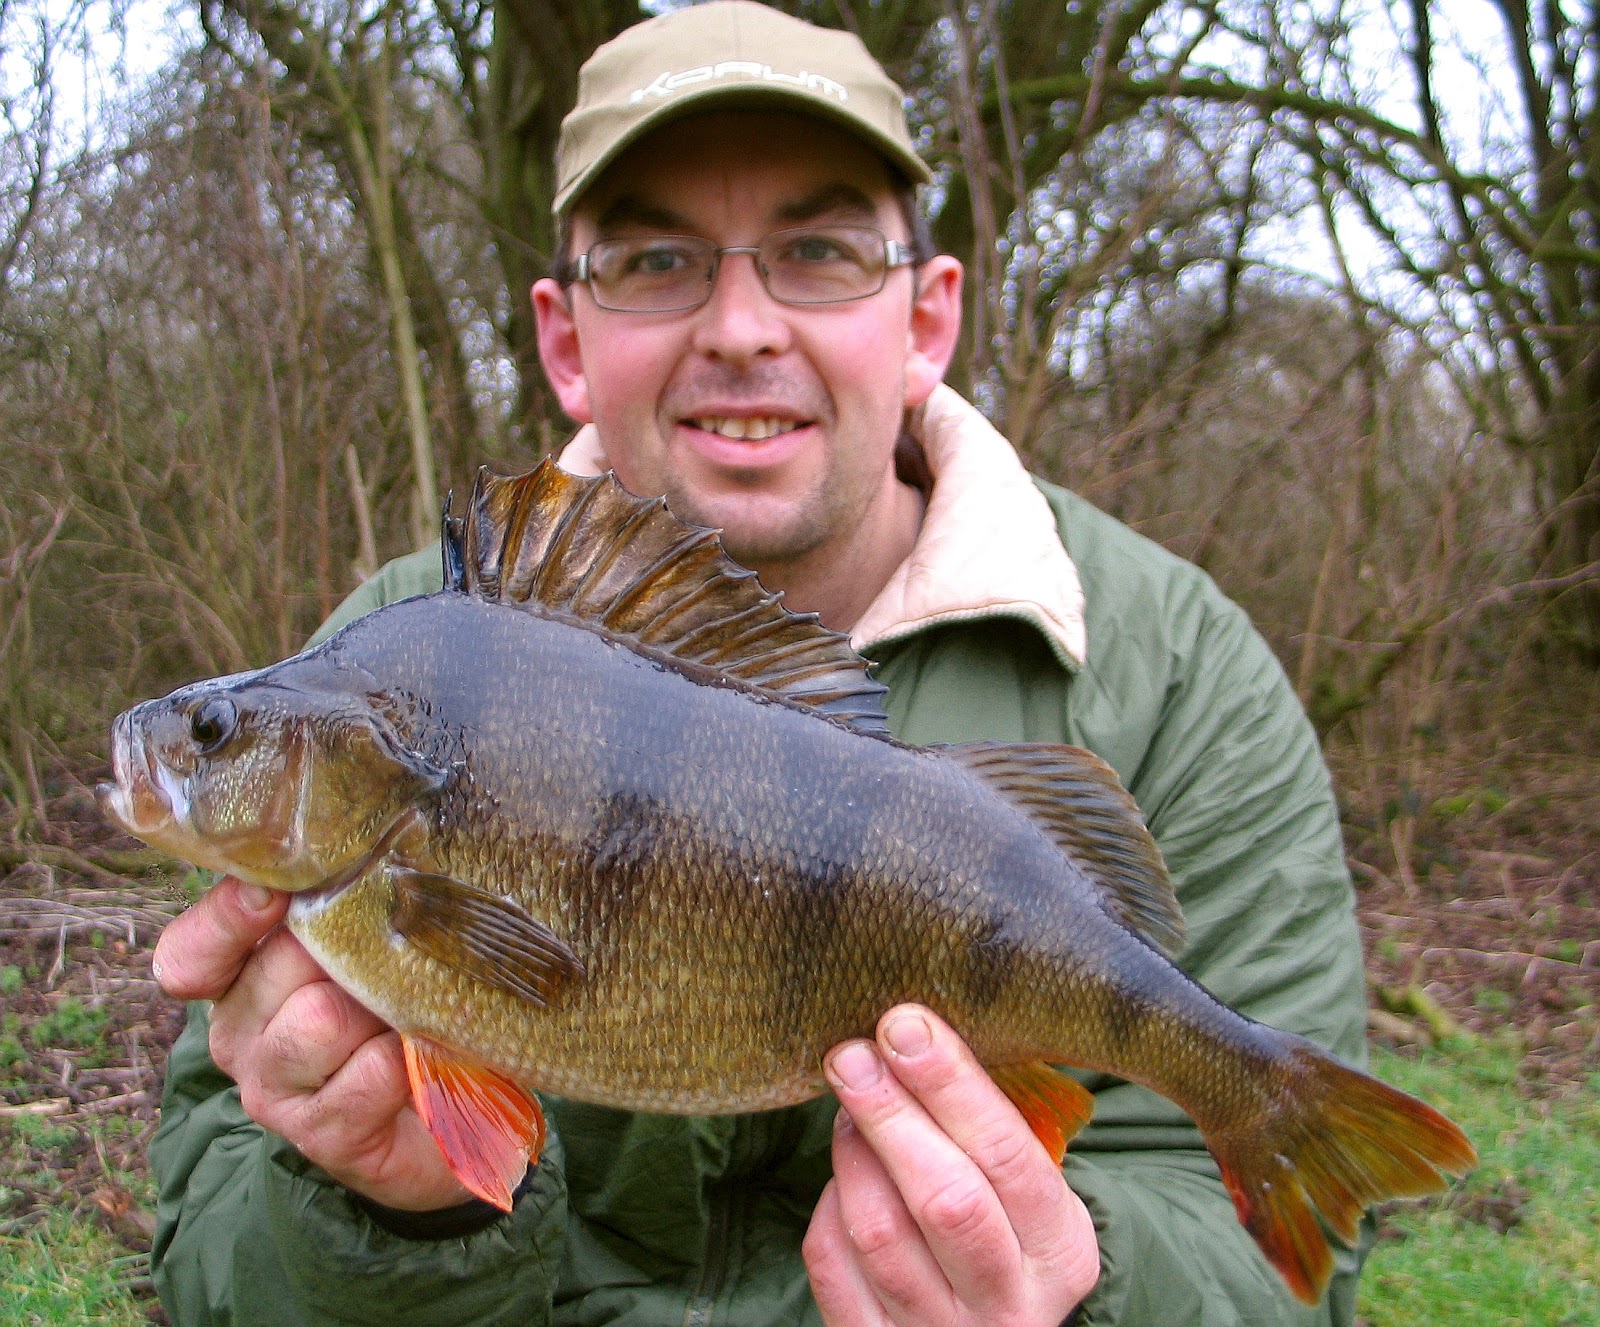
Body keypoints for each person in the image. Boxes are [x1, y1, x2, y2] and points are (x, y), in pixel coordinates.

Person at [147, 4, 1372, 1324]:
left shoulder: (1179, 678)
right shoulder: (401, 638)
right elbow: (212, 1250)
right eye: (657, 261)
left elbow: (1276, 1284)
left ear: (928, 318)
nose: (740, 327)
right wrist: (383, 1213)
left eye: (820, 253)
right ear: (564, 340)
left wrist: (1083, 1292)